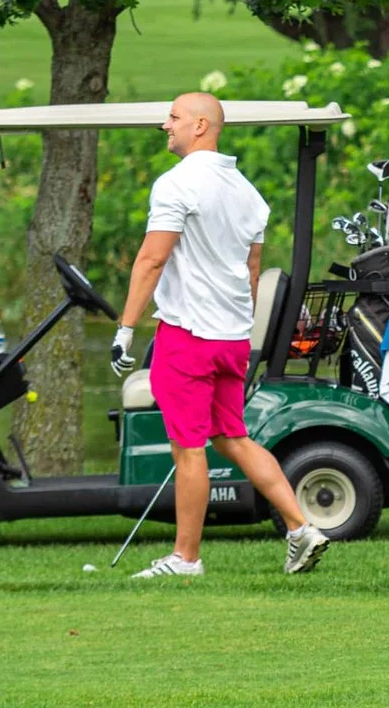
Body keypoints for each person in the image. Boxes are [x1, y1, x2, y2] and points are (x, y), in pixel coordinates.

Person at [108, 91, 326, 579]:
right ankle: (300, 528)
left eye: (175, 117)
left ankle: (186, 558)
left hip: (186, 336)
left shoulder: (175, 185)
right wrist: (237, 328)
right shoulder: (247, 191)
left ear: (202, 125)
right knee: (232, 437)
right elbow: (251, 271)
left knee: (188, 448)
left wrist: (125, 329)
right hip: (231, 339)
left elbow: (151, 259)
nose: (166, 125)